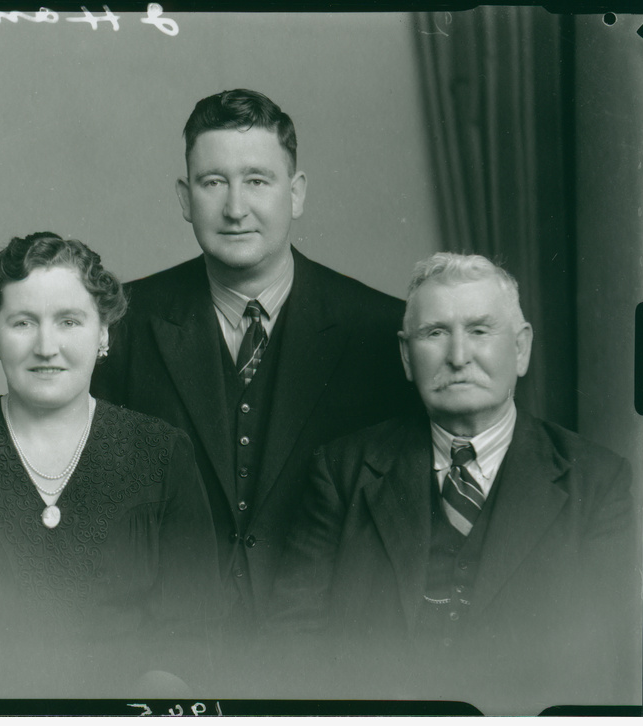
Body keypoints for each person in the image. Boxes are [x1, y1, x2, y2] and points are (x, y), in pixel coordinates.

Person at [91, 89, 415, 624]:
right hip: (165, 644)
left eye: (257, 181)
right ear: (183, 196)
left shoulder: (380, 328)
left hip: (329, 651)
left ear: (297, 192)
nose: (235, 207)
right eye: (213, 182)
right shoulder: (121, 322)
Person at [271, 253, 640, 712]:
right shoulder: (342, 470)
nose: (459, 356)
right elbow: (292, 641)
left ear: (521, 348)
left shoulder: (597, 481)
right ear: (407, 356)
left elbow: (612, 665)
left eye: (480, 330)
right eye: (435, 333)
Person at [0, 232, 222, 697]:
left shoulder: (163, 455)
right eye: (23, 322)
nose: (47, 346)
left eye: (69, 321)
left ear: (103, 332)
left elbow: (189, 638)